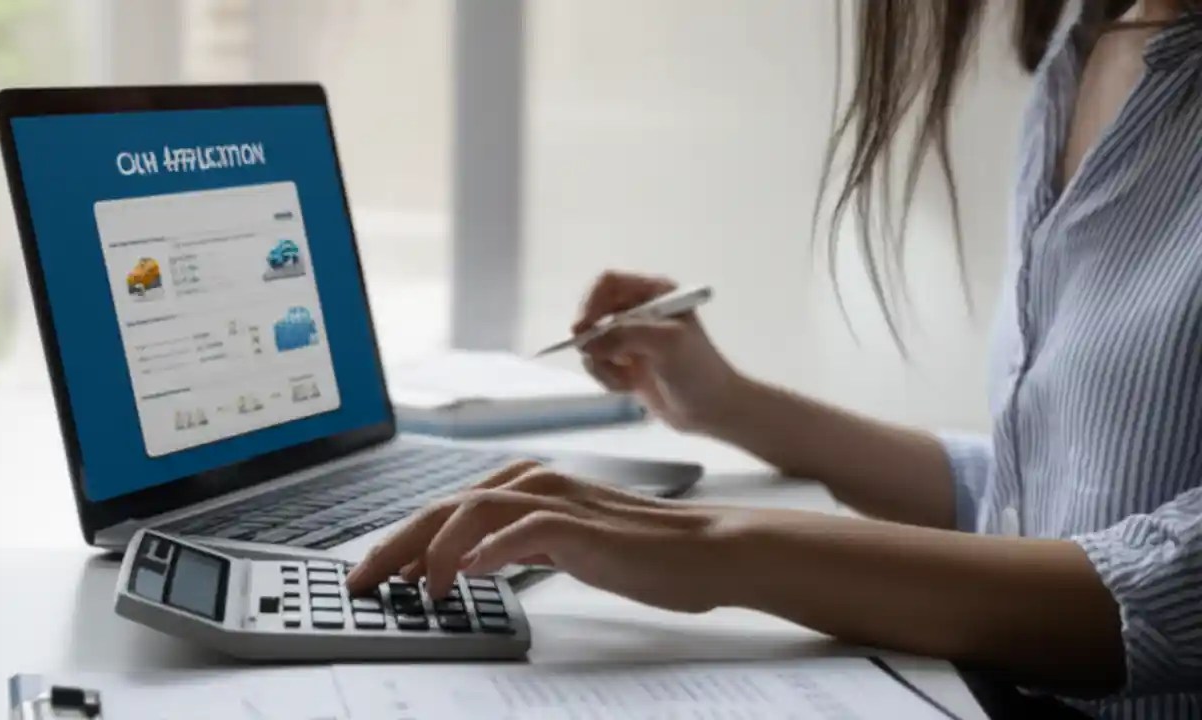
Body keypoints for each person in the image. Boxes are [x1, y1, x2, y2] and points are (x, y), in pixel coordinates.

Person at [349, 1, 1202, 716]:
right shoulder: (1081, 53)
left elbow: (1169, 583)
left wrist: (718, 546)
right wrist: (728, 405)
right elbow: (1043, 504)